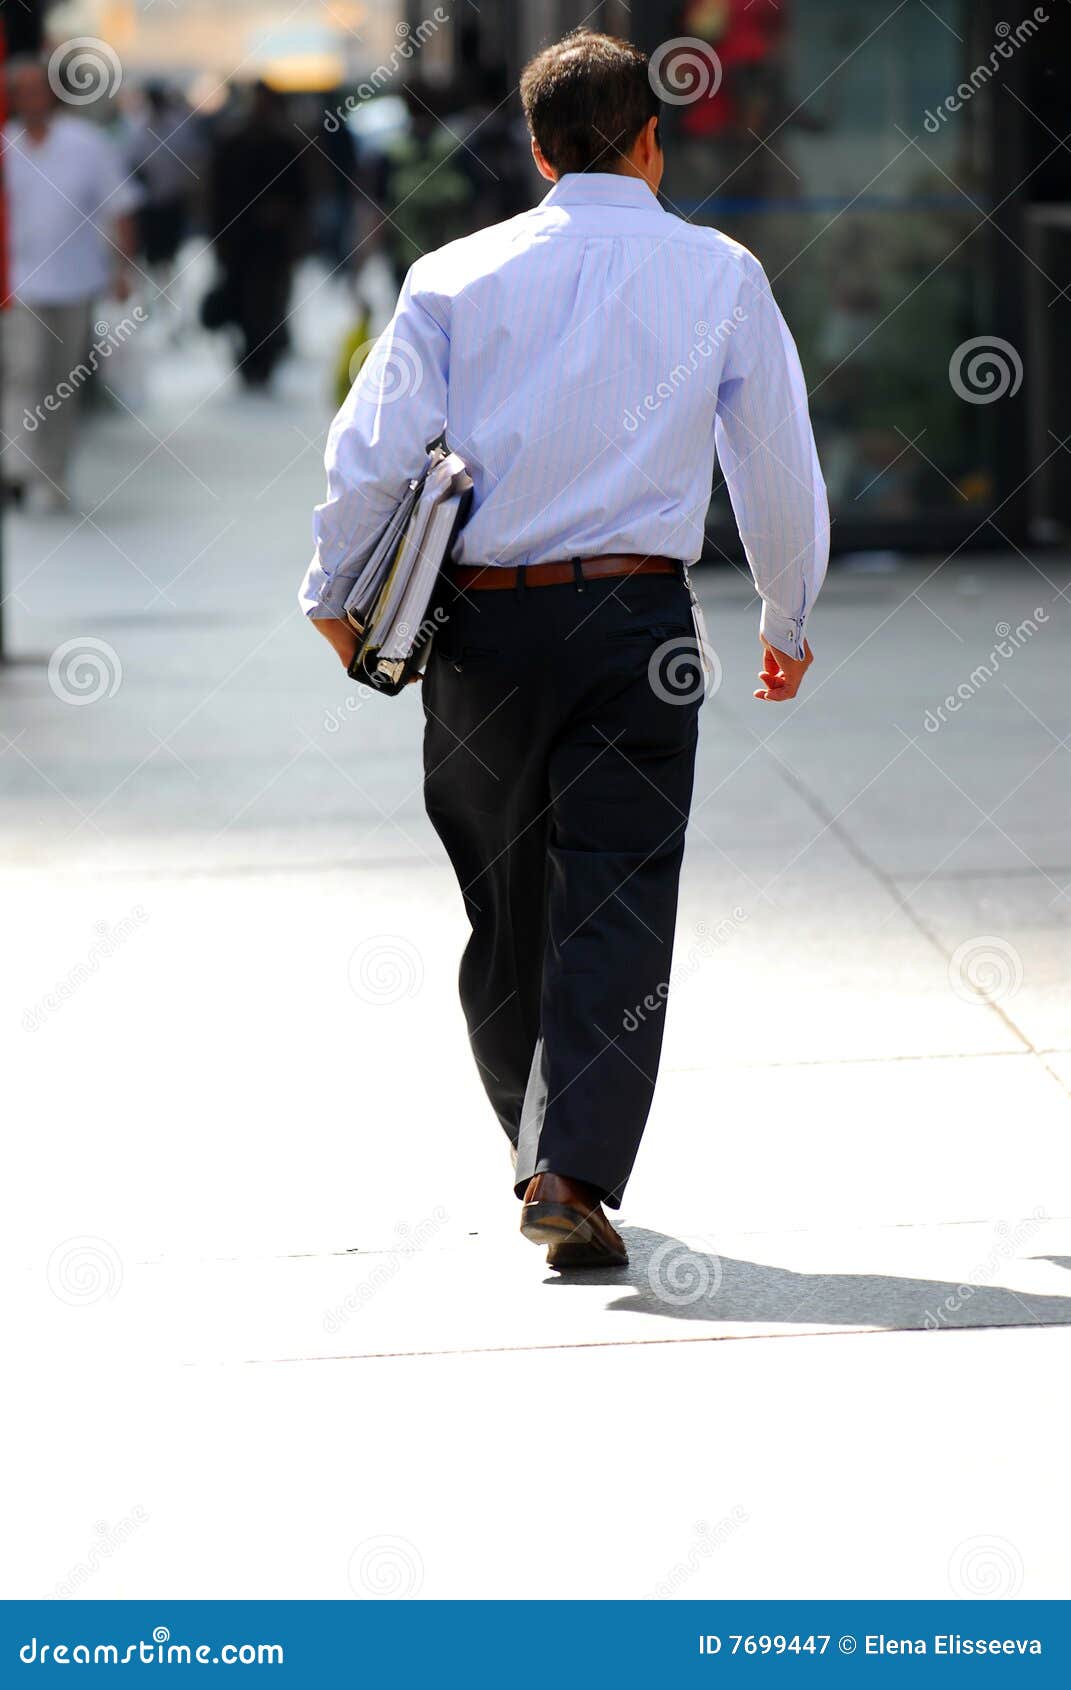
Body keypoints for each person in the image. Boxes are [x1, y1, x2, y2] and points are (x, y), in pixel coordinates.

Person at [300, 31, 828, 1269]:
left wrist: (333, 595)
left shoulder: (451, 276)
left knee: (507, 907)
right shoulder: (723, 272)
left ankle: (548, 1159)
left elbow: (369, 454)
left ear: (537, 151)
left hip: (485, 631)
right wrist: (788, 618)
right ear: (654, 141)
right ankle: (572, 1165)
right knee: (620, 897)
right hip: (645, 631)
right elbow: (776, 463)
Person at [2, 56, 138, 511]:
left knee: (62, 382)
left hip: (77, 283)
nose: (30, 100)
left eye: (37, 90)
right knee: (25, 371)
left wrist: (123, 270)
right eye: (22, 92)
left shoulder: (87, 144)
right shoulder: (8, 145)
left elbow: (118, 206)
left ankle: (52, 472)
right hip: (22, 285)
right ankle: (17, 466)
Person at [207, 81, 307, 389]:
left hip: (272, 245)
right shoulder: (233, 143)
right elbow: (217, 195)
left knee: (268, 304)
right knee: (242, 303)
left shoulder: (285, 144)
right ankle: (252, 360)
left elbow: (302, 196)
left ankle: (263, 360)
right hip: (240, 242)